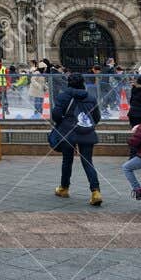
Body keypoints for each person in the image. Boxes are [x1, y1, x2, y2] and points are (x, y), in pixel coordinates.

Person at [50, 72, 102, 205]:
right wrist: (87, 126)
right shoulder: (90, 96)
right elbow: (97, 117)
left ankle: (64, 188)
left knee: (67, 161)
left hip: (68, 132)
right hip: (86, 131)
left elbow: (56, 114)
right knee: (88, 162)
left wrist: (63, 123)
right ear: (82, 83)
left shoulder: (63, 95)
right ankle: (96, 192)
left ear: (69, 82)